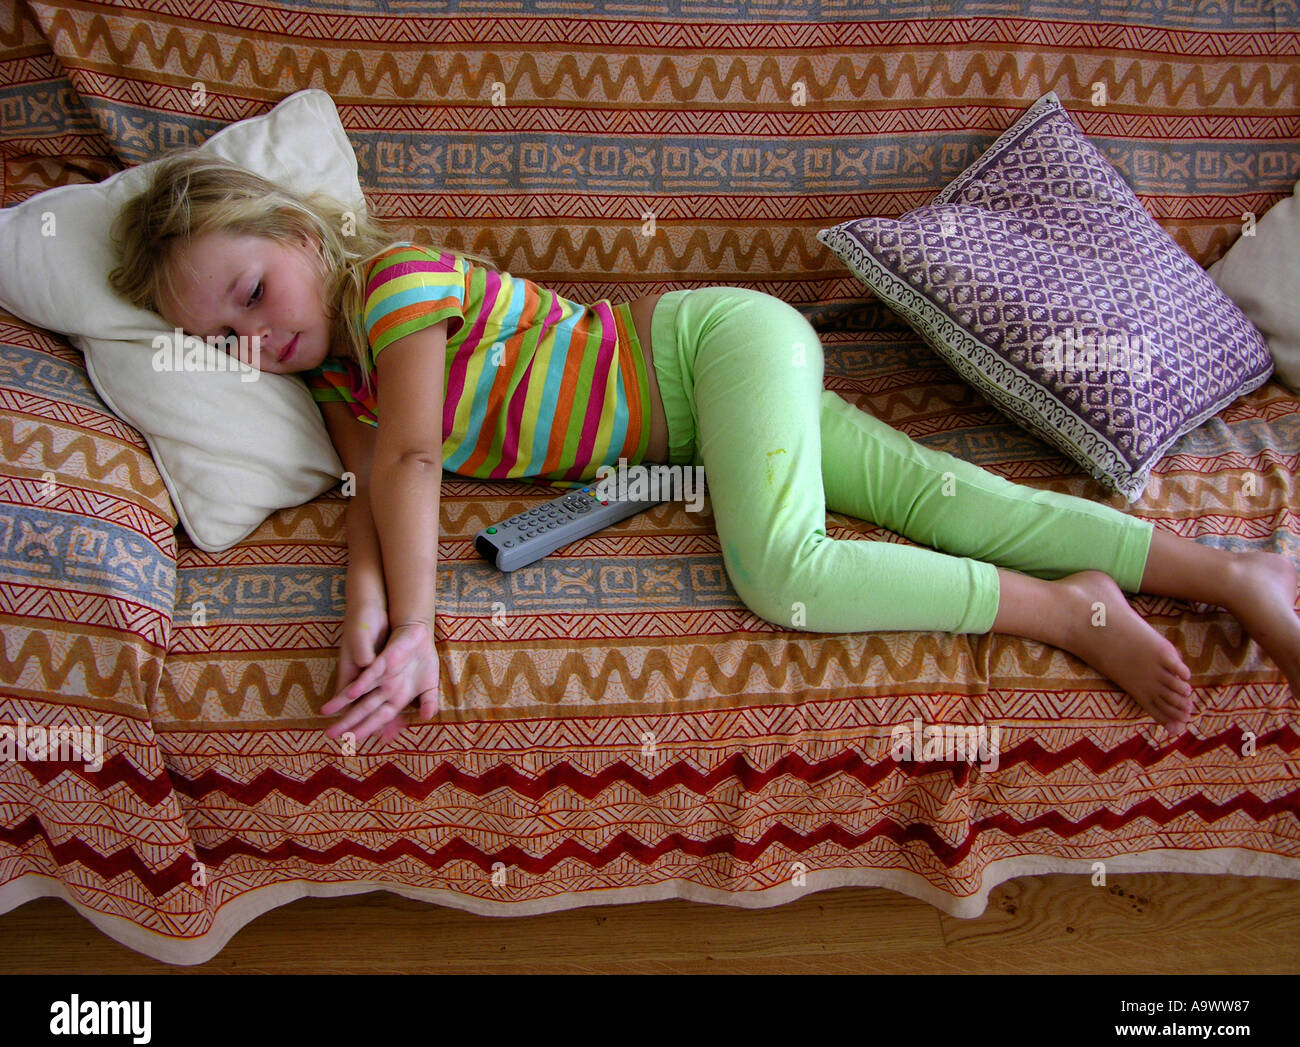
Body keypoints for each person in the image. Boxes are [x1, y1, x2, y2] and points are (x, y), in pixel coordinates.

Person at [108, 149, 1300, 746]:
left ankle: (1057, 606)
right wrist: (362, 618)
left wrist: (423, 627)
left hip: (710, 349)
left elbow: (417, 460)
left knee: (782, 570)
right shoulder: (333, 373)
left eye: (254, 291)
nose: (253, 338)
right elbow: (374, 484)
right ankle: (1228, 572)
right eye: (222, 336)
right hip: (715, 411)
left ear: (303, 232)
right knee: (942, 494)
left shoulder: (397, 291)